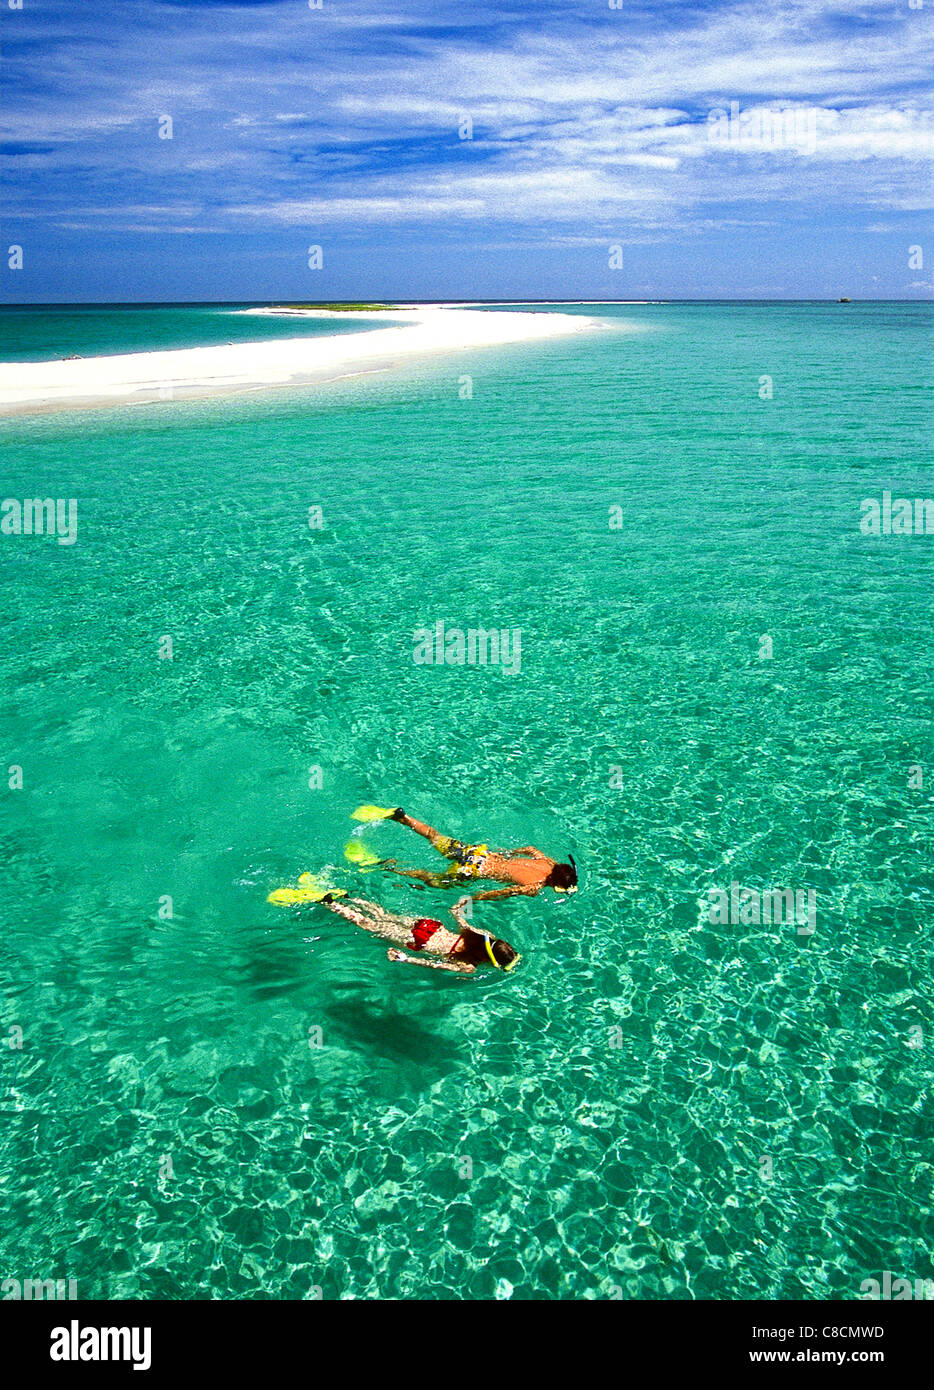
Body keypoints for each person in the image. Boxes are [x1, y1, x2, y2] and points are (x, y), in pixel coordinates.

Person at [268, 877, 520, 974]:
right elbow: (434, 964)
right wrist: (405, 959)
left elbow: (459, 919)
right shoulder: (469, 966)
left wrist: (456, 911)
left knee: (382, 913)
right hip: (421, 942)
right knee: (369, 925)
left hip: (431, 926)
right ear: (493, 962)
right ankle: (328, 902)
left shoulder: (485, 935)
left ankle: (346, 896)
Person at [349, 805, 577, 901]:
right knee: (435, 882)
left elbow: (529, 849)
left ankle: (402, 817)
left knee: (434, 836)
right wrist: (477, 898)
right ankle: (393, 867)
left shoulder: (547, 861)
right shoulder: (534, 888)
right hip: (471, 870)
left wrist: (508, 852)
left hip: (478, 854)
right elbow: (504, 892)